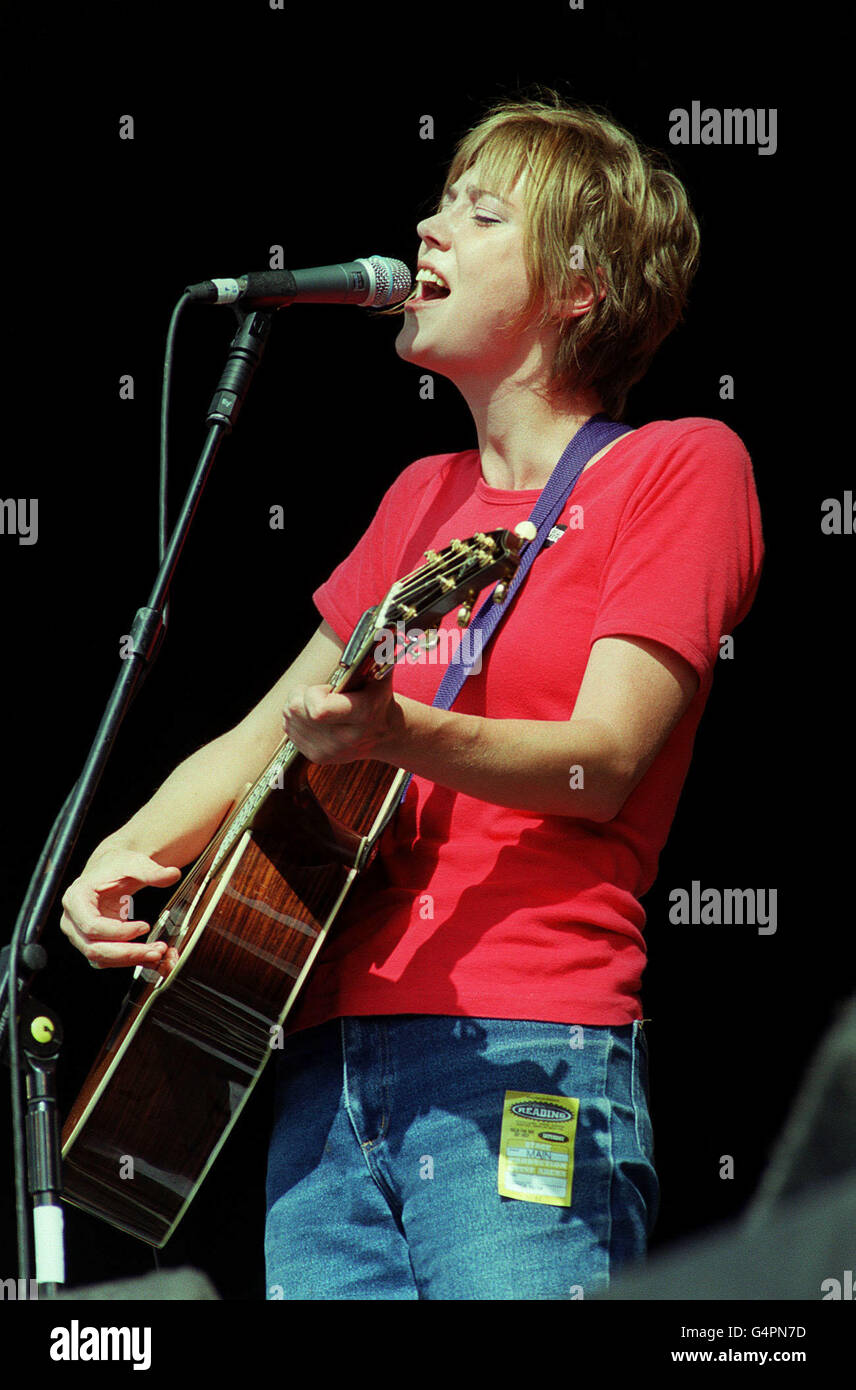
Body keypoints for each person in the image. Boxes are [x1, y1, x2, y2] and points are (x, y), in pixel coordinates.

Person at [60, 93, 764, 1300]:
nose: (429, 231)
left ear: (580, 287)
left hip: (524, 1051)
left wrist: (398, 730)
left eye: (479, 212)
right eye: (439, 202)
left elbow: (602, 761)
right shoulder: (419, 497)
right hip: (320, 1065)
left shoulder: (679, 466)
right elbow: (264, 733)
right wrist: (123, 849)